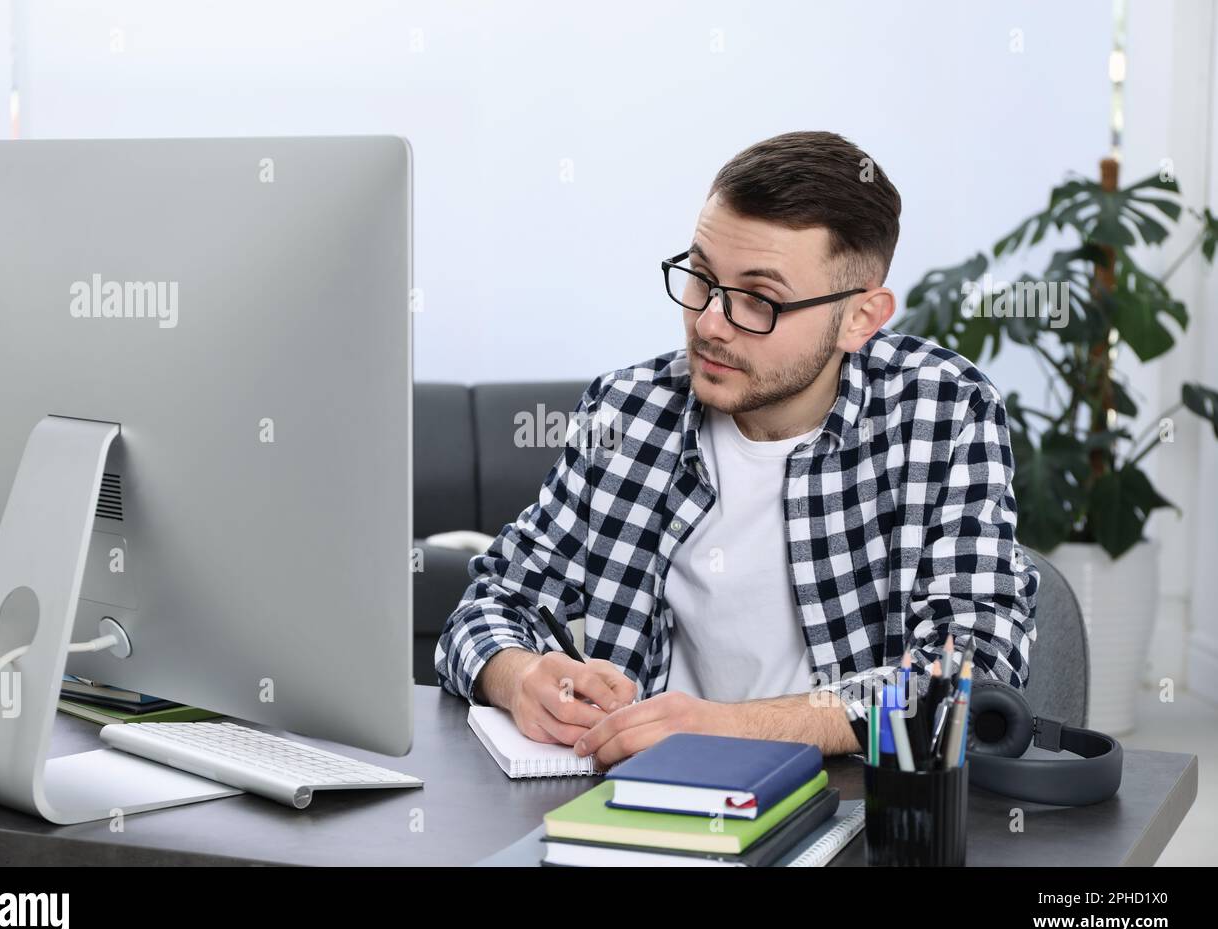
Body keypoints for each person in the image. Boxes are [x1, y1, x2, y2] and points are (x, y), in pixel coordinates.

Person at [436, 130, 1039, 766]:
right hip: (638, 806)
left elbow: (969, 671)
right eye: (700, 277)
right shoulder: (626, 412)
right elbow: (493, 603)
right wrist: (521, 676)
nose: (709, 323)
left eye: (759, 299)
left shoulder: (942, 412)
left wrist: (728, 726)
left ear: (862, 317)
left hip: (851, 810)